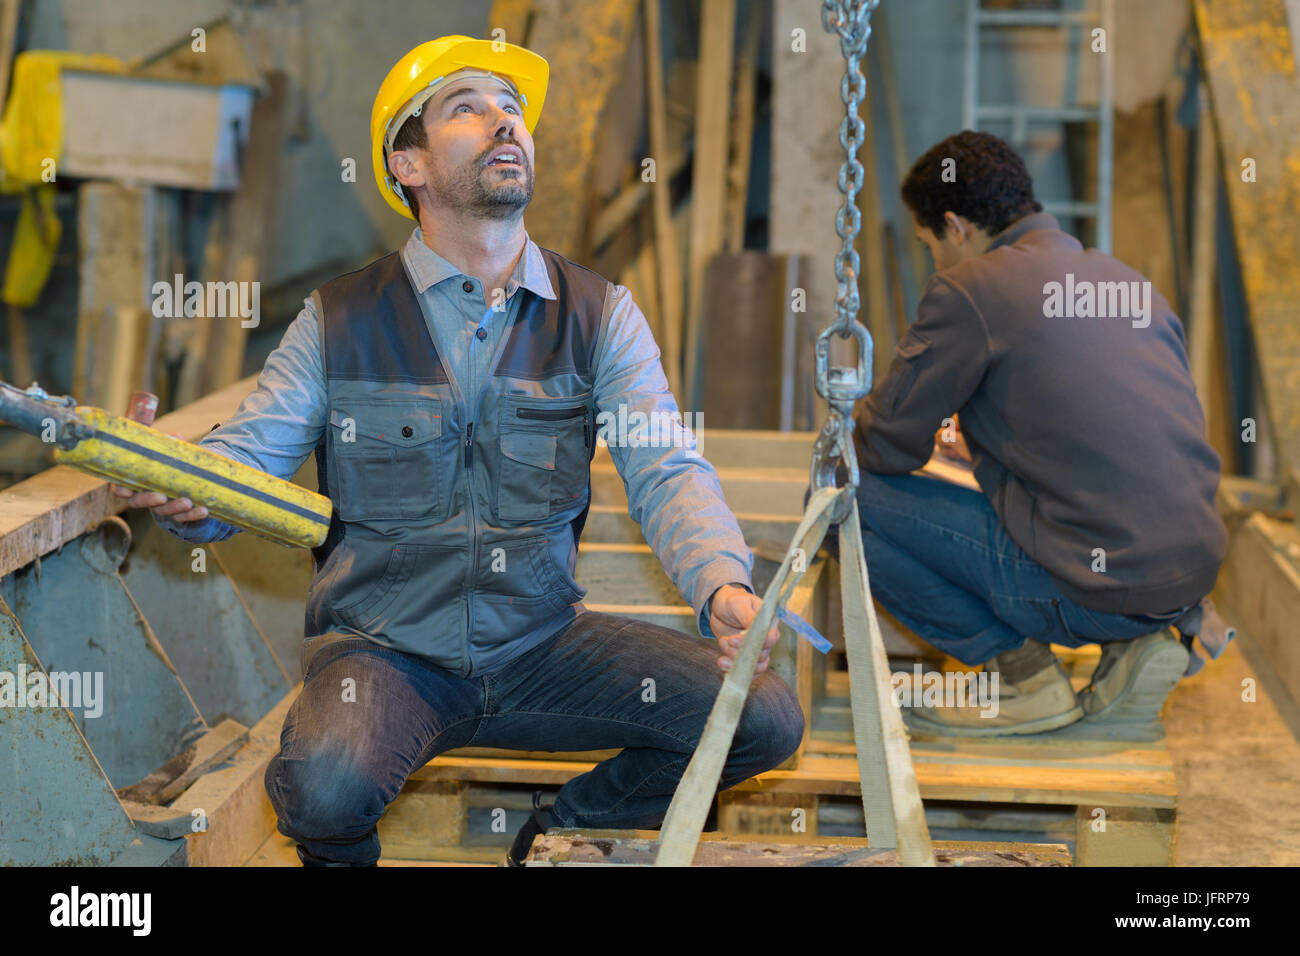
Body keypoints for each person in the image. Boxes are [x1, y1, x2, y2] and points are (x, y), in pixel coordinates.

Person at [111, 35, 802, 866]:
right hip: (387, 653)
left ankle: (562, 833)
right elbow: (250, 457)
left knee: (763, 717)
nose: (505, 121)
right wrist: (189, 489)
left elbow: (666, 467)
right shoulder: (339, 320)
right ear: (408, 164)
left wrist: (722, 583)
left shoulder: (598, 314)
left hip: (541, 645)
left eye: (512, 108)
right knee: (323, 787)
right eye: (467, 108)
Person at [848, 129, 1229, 736]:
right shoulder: (1128, 282)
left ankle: (1019, 677)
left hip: (1093, 586)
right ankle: (1143, 639)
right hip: (1187, 573)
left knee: (847, 498)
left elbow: (885, 445)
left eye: (929, 245)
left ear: (955, 226)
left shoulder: (969, 289)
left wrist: (868, 423)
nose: (935, 262)